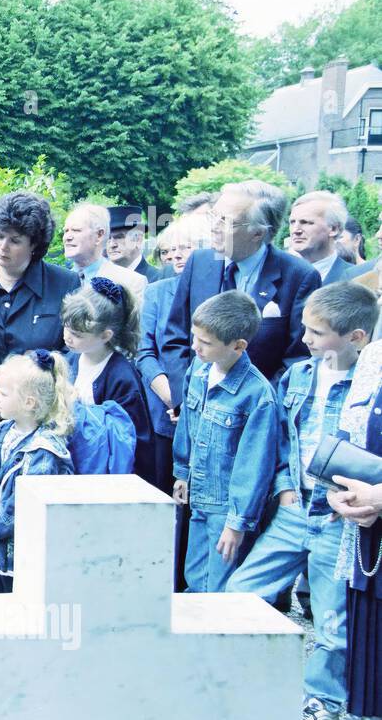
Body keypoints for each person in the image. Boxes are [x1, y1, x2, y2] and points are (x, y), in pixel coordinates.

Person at [225, 281, 378, 720]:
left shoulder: (369, 390)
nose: (306, 339)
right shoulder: (297, 376)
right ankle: (242, 683)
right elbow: (286, 442)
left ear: (356, 338)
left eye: (317, 332)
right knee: (240, 591)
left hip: (338, 519)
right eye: (305, 328)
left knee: (332, 621)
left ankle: (323, 704)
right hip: (296, 512)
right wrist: (286, 488)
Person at [0, 190, 80, 468]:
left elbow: (73, 350)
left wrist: (34, 394)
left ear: (35, 245)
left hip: (40, 426)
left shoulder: (65, 284)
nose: (2, 247)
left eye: (15, 240)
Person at [162, 180, 321, 405]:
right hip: (195, 407)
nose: (214, 227)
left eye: (226, 221)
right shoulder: (199, 262)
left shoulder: (299, 276)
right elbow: (175, 337)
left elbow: (297, 358)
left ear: (257, 232)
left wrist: (254, 405)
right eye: (213, 217)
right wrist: (184, 398)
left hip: (256, 414)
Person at [172, 291, 279, 594]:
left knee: (218, 587)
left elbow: (254, 463)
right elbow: (188, 425)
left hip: (227, 506)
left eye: (205, 343)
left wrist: (237, 522)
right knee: (194, 576)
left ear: (238, 345)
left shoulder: (257, 394)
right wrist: (182, 471)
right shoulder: (199, 369)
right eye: (195, 338)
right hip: (199, 494)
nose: (195, 347)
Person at [0, 351, 75, 593]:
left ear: (29, 402)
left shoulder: (44, 450)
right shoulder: (1, 432)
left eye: (3, 393)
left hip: (16, 560)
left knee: (11, 620)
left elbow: (22, 505)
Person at [324, 337, 382, 720]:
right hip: (368, 535)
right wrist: (336, 491)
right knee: (375, 647)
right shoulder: (375, 355)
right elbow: (347, 433)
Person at [138, 215, 208, 495]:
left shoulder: (214, 290)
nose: (175, 255)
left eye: (185, 247)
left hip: (207, 406)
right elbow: (145, 352)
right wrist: (174, 398)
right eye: (168, 251)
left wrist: (191, 401)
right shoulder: (155, 292)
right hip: (164, 408)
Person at [61, 277, 152, 480]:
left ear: (105, 335)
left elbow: (131, 442)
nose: (67, 337)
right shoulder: (69, 360)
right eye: (66, 327)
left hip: (105, 477)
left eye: (77, 334)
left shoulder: (122, 377)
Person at [62, 203, 148, 301]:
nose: (67, 237)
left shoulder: (131, 283)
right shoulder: (56, 280)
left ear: (99, 235)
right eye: (66, 231)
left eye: (76, 230)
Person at [288, 190, 353, 285]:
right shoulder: (276, 275)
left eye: (305, 222)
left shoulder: (355, 278)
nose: (295, 230)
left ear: (334, 229)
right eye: (292, 222)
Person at [106, 205, 163, 284]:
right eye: (108, 238)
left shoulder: (158, 280)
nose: (112, 244)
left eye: (119, 237)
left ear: (138, 240)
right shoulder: (99, 279)